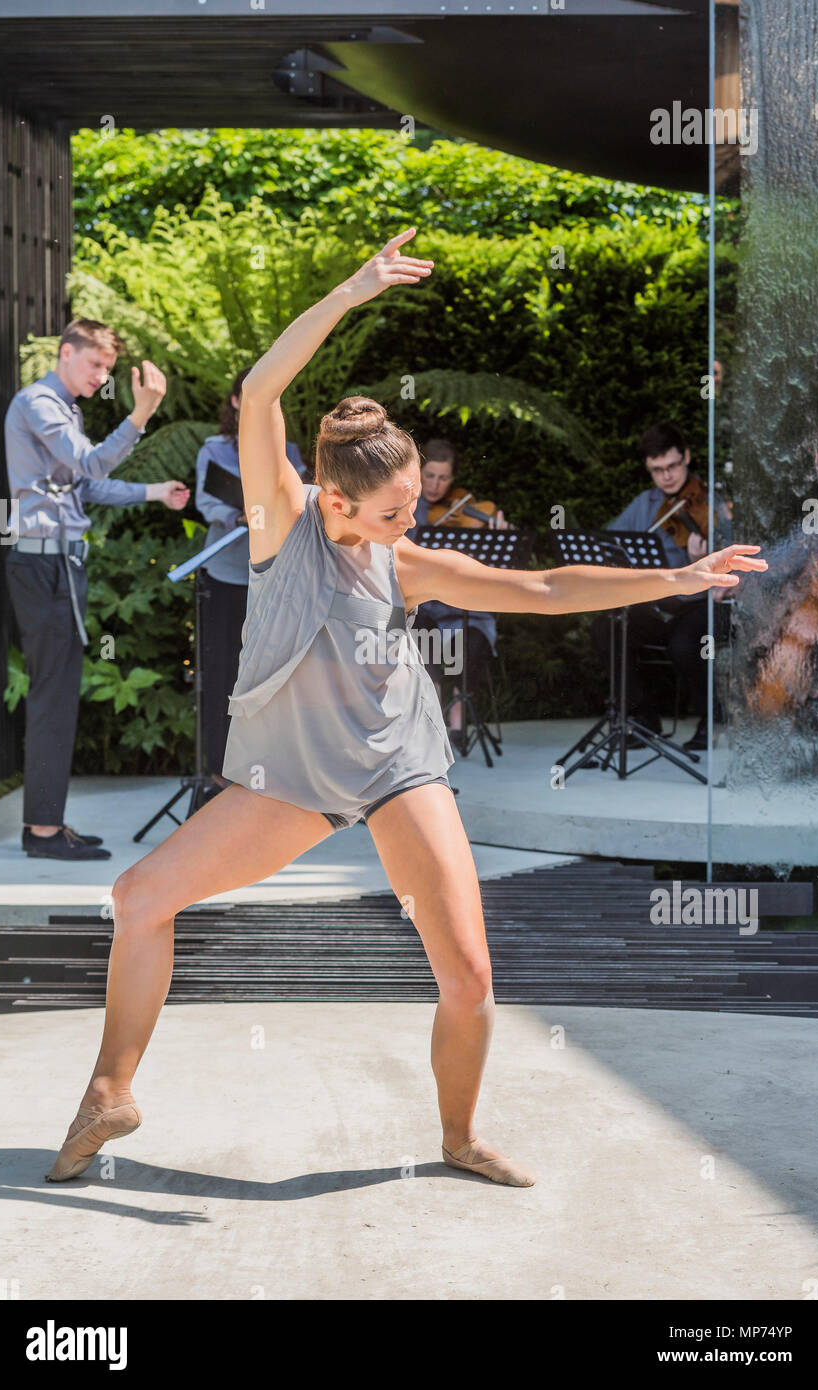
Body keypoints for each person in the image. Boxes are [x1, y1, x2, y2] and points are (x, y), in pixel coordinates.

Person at [43, 230, 765, 1190]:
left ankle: (459, 1136)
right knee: (140, 899)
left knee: (468, 975)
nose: (407, 525)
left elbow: (544, 589)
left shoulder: (406, 562)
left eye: (410, 508)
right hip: (289, 778)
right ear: (333, 503)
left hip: (395, 769)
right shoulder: (283, 527)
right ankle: (109, 1089)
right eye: (389, 512)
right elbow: (261, 393)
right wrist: (352, 289)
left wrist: (678, 573)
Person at [4, 318, 189, 861]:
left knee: (58, 697)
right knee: (52, 699)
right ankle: (41, 833)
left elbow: (87, 484)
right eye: (95, 365)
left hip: (59, 567)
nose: (102, 375)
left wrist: (154, 491)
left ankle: (46, 823)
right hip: (44, 568)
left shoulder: (64, 410)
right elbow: (88, 461)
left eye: (108, 368)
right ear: (65, 354)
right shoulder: (39, 404)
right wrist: (142, 413)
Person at [194, 366, 307, 794]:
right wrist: (235, 515)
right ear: (236, 401)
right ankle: (220, 772)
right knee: (222, 670)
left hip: (273, 577)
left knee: (268, 674)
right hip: (226, 572)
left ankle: (267, 767)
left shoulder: (289, 452)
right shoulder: (214, 450)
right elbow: (206, 500)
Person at [589, 421, 734, 751]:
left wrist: (703, 557)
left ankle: (710, 718)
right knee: (607, 628)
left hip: (700, 604)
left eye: (672, 466)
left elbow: (735, 560)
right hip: (659, 605)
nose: (667, 477)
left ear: (686, 457)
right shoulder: (645, 503)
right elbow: (608, 543)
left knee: (685, 643)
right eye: (657, 470)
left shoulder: (711, 503)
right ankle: (642, 719)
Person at [405, 440, 509, 739]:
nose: (436, 486)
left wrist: (497, 536)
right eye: (430, 476)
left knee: (473, 638)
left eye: (444, 478)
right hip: (427, 608)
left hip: (464, 609)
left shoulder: (463, 510)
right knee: (420, 631)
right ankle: (432, 704)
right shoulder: (407, 509)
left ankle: (458, 716)